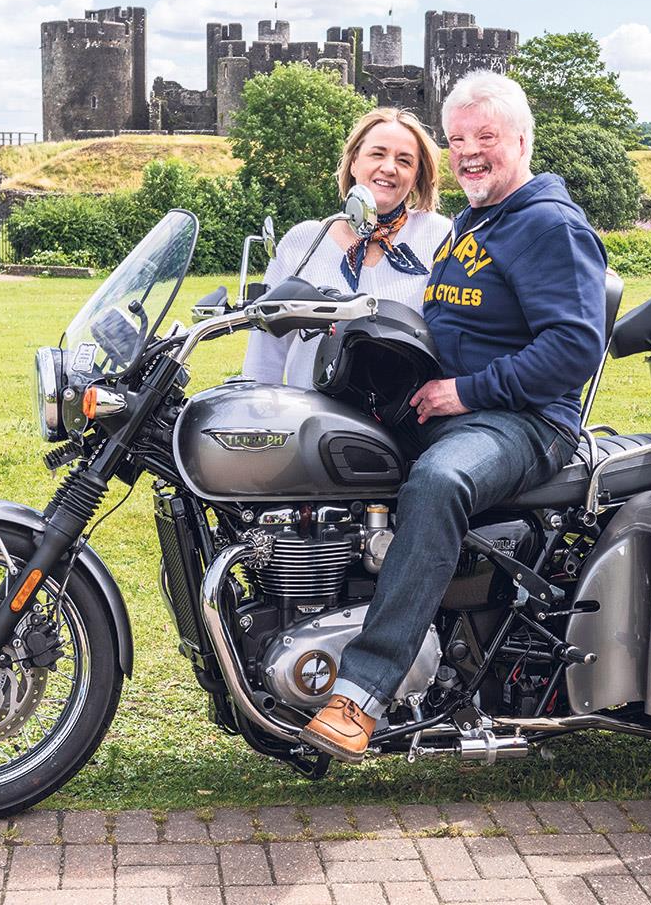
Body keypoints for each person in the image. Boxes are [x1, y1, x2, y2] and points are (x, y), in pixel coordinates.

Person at [301, 71, 609, 762]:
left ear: (522, 141)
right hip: (457, 409)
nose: (470, 152)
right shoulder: (477, 222)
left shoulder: (548, 224)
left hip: (526, 422)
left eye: (486, 138)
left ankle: (362, 691)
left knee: (438, 481)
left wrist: (467, 391)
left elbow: (575, 346)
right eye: (459, 139)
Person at [241, 108, 449, 388]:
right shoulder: (303, 241)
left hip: (408, 423)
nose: (389, 167)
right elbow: (265, 349)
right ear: (353, 163)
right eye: (377, 154)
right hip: (312, 422)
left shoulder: (440, 235)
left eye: (405, 160)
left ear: (416, 176)